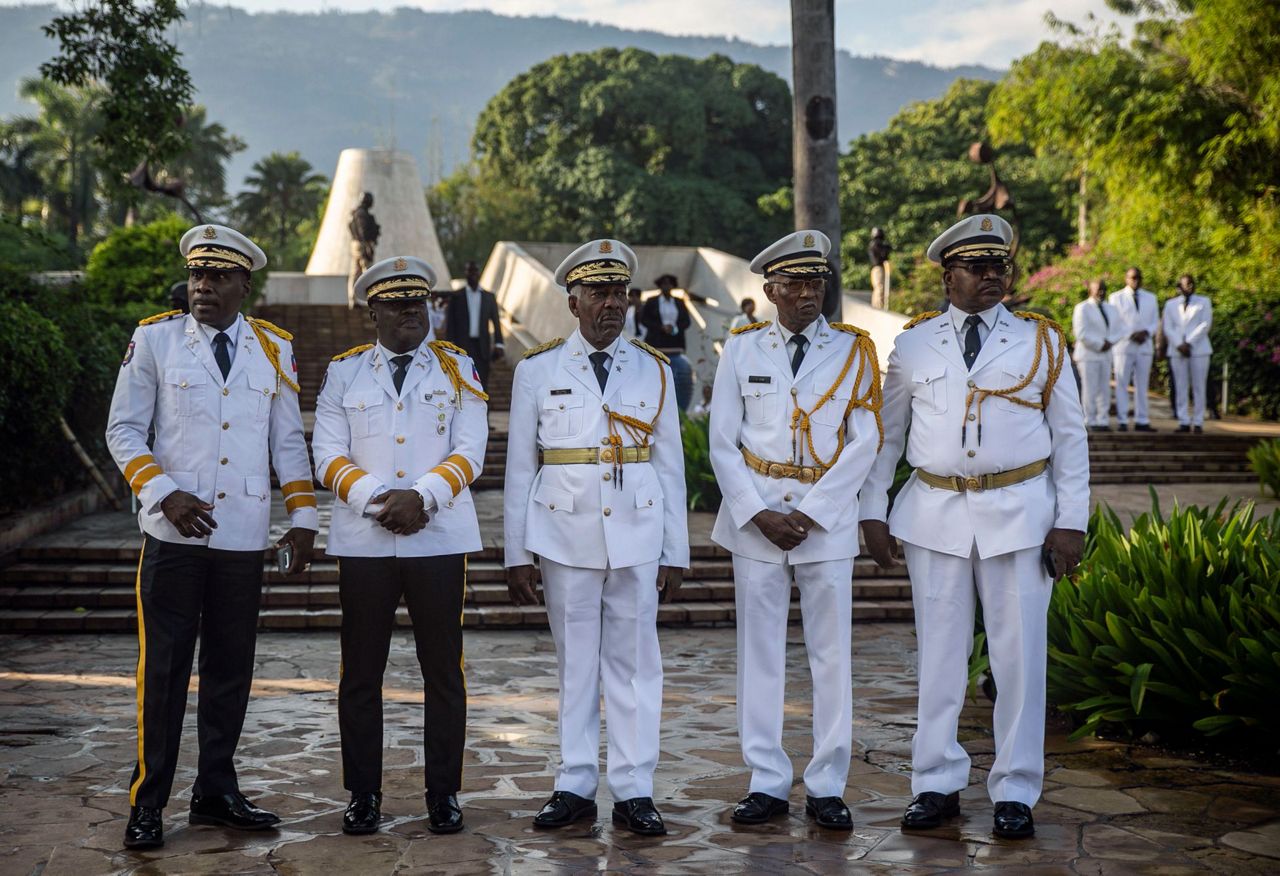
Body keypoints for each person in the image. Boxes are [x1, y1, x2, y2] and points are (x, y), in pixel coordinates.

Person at [860, 213, 1089, 841]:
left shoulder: (1042, 341)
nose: (993, 276)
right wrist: (873, 508)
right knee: (939, 656)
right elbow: (888, 435)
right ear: (948, 274)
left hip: (1019, 515)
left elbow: (1070, 437)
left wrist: (1072, 522)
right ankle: (935, 782)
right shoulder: (913, 344)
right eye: (978, 267)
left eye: (1001, 266)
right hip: (934, 515)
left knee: (1020, 660)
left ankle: (1016, 788)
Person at [106, 224, 318, 850]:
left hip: (242, 536)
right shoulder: (156, 340)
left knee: (230, 668)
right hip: (172, 535)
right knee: (164, 670)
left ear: (244, 284)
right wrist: (161, 492)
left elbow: (286, 442)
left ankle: (216, 792)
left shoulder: (272, 349)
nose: (203, 285)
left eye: (219, 275)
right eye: (197, 274)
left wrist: (304, 519)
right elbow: (123, 430)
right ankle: (148, 801)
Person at [504, 239, 688, 836]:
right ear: (573, 301)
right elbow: (518, 468)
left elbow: (670, 465)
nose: (612, 303)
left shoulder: (654, 368)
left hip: (637, 531)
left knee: (636, 666)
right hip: (563, 532)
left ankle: (635, 789)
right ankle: (575, 782)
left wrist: (676, 548)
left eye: (620, 293)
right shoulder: (537, 370)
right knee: (575, 664)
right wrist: (516, 552)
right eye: (599, 294)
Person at [708, 229, 882, 831]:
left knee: (830, 655)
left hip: (822, 523)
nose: (809, 293)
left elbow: (865, 443)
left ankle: (829, 783)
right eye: (797, 282)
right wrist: (756, 512)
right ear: (771, 288)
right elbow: (722, 442)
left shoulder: (854, 350)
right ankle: (766, 780)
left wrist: (811, 512)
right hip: (756, 519)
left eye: (818, 281)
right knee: (759, 655)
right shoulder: (742, 349)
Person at [312, 255, 487, 837]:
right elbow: (327, 453)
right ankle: (363, 793)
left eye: (418, 302)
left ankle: (444, 793)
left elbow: (471, 449)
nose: (410, 311)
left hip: (438, 539)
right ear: (373, 312)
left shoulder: (459, 368)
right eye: (396, 303)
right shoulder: (345, 373)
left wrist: (424, 497)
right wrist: (379, 501)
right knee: (360, 673)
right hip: (365, 542)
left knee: (444, 673)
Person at [1108, 266, 1160, 432]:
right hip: (1124, 345)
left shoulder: (1151, 298)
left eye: (1138, 277)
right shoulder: (1116, 297)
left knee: (1142, 385)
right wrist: (1131, 333)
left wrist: (1147, 332)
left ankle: (1142, 419)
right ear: (1126, 278)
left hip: (1144, 345)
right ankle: (1122, 420)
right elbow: (1115, 321)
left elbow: (1155, 321)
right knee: (1122, 383)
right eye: (1132, 277)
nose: (1135, 280)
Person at [1162, 274, 1213, 433]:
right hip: (1177, 351)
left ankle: (1198, 421)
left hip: (1198, 350)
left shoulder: (1203, 302)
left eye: (1191, 284)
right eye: (1185, 284)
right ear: (1179, 286)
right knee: (1180, 386)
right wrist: (1179, 344)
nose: (1188, 287)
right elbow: (1168, 327)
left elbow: (1205, 325)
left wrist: (1189, 343)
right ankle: (1183, 420)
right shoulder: (1170, 304)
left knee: (1199, 386)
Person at [1072, 279, 1121, 432]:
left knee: (1104, 388)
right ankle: (1089, 419)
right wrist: (1100, 344)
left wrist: (1110, 342)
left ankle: (1103, 420)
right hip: (1088, 354)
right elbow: (1081, 333)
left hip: (1105, 354)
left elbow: (1119, 329)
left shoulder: (1112, 308)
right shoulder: (1082, 308)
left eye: (1103, 288)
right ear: (1090, 290)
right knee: (1089, 388)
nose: (1101, 292)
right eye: (1098, 289)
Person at [447, 260, 504, 391]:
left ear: (479, 273)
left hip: (482, 348)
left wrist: (499, 344)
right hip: (462, 347)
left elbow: (496, 322)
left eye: (474, 271)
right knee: (461, 382)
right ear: (465, 273)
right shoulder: (456, 296)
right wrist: (448, 345)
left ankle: (484, 411)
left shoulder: (489, 297)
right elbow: (450, 323)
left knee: (483, 383)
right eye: (469, 271)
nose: (472, 274)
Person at [640, 273, 693, 412]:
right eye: (664, 284)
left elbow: (686, 321)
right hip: (657, 346)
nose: (666, 287)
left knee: (677, 385)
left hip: (675, 347)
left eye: (669, 284)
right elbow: (645, 320)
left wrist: (674, 328)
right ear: (659, 286)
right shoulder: (652, 301)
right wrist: (660, 327)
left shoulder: (679, 302)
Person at [348, 192, 380, 309]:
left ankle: (353, 299)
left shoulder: (355, 213)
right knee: (368, 271)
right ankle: (371, 298)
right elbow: (363, 231)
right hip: (363, 244)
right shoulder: (362, 215)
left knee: (355, 272)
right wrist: (367, 246)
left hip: (355, 244)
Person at [868, 227, 892, 310]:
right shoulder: (877, 244)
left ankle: (876, 306)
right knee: (880, 287)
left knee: (877, 288)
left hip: (875, 269)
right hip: (878, 268)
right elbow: (883, 256)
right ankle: (879, 307)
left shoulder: (873, 244)